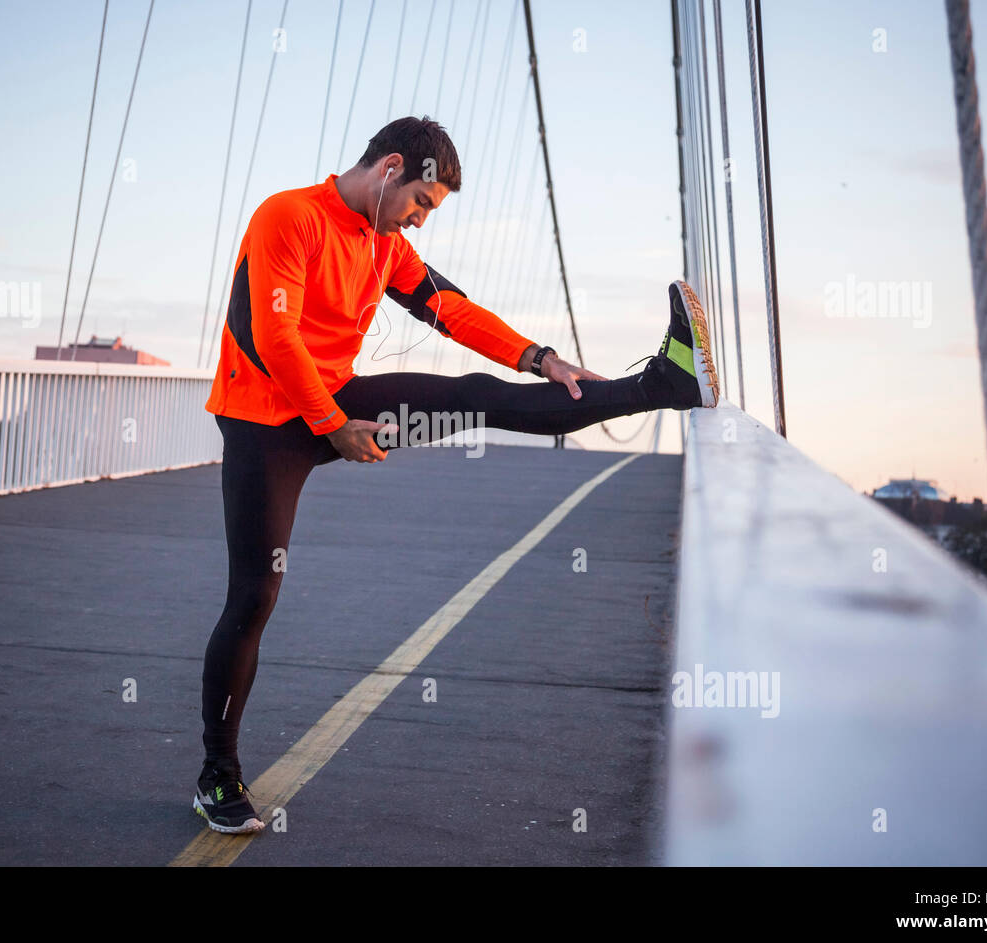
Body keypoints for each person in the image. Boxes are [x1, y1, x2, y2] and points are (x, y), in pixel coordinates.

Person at [194, 116, 718, 834]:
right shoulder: (289, 217)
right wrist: (331, 428)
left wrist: (540, 357)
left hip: (339, 407)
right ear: (391, 170)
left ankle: (665, 384)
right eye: (422, 203)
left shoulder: (387, 246)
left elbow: (454, 312)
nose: (420, 220)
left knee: (474, 397)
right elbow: (272, 339)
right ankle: (217, 777)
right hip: (265, 421)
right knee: (255, 594)